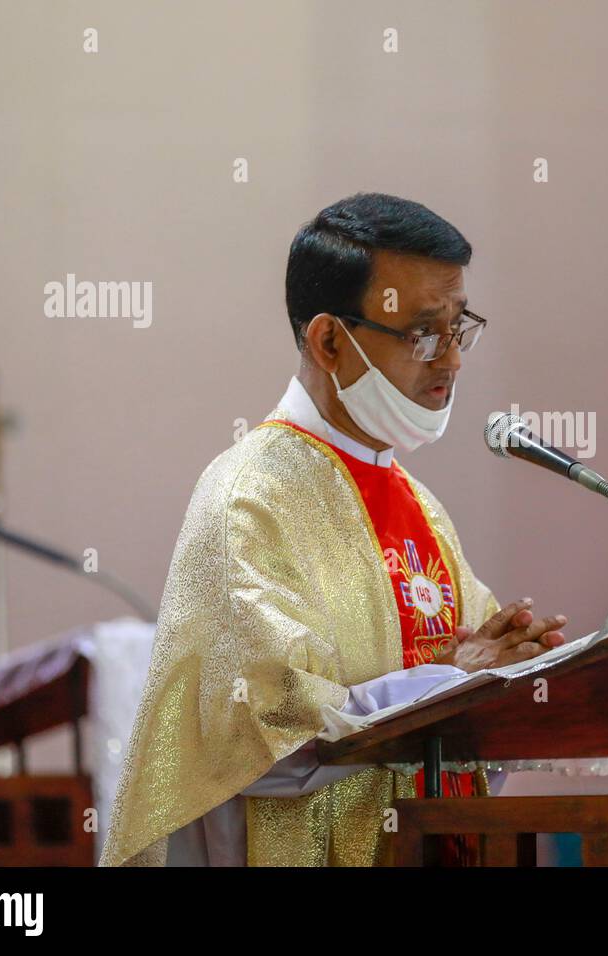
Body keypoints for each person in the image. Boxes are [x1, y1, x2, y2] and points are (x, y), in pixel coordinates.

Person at [100, 192, 567, 866]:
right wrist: (455, 685)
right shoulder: (249, 498)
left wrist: (529, 678)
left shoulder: (420, 508)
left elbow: (464, 741)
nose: (452, 360)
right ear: (328, 340)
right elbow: (266, 738)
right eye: (424, 332)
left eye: (460, 328)